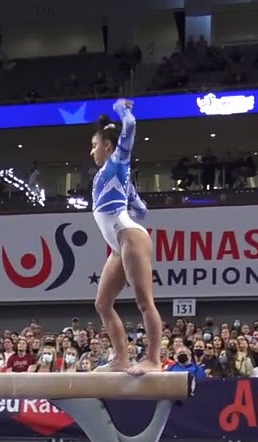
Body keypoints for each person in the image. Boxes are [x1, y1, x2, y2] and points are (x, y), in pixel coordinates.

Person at [89, 98, 163, 376]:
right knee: (102, 304)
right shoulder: (113, 175)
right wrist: (132, 196)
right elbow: (142, 211)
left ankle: (154, 359)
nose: (92, 151)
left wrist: (123, 109)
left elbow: (130, 126)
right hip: (119, 243)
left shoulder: (118, 162)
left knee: (144, 301)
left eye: (95, 145)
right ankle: (121, 359)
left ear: (107, 146)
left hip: (129, 237)